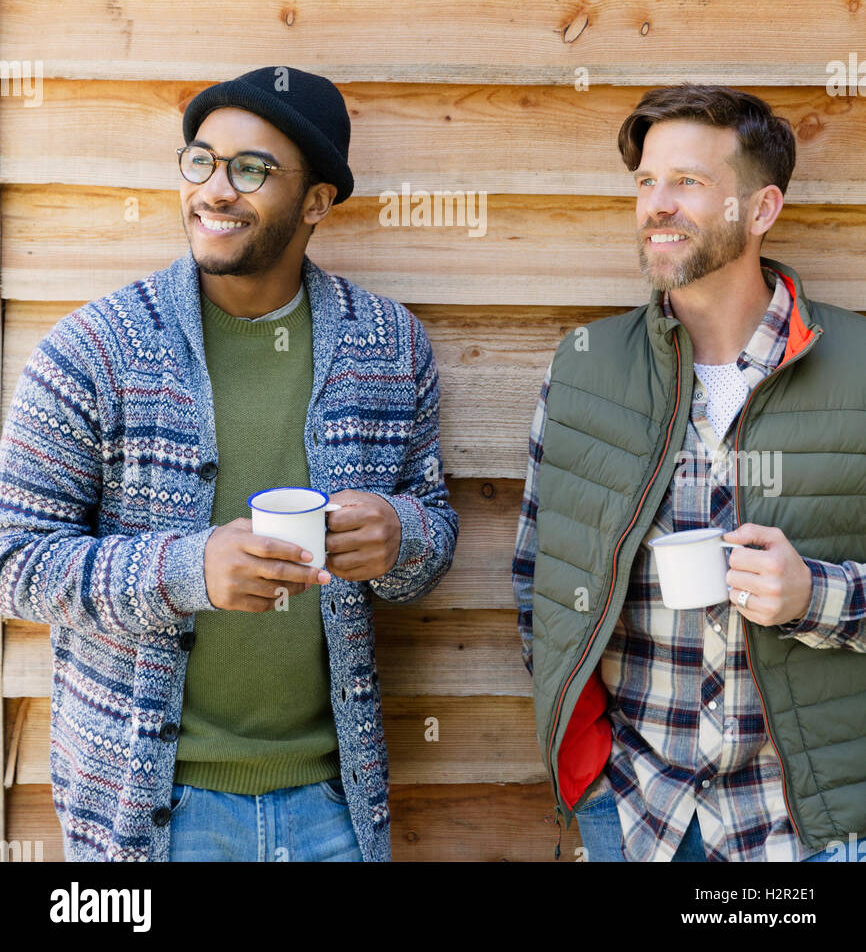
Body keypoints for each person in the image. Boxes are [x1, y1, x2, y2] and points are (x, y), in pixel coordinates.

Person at [0, 64, 457, 862]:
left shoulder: (389, 346)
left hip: (334, 805)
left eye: (252, 170)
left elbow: (431, 531)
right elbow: (15, 562)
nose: (215, 188)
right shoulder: (94, 350)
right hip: (151, 813)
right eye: (201, 160)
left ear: (316, 203)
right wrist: (186, 569)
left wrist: (402, 535)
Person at [513, 84, 866, 863]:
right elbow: (539, 581)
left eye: (689, 183)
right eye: (646, 182)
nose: (656, 205)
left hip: (812, 827)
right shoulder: (583, 371)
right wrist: (593, 768)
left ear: (762, 210)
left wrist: (816, 596)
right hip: (637, 815)